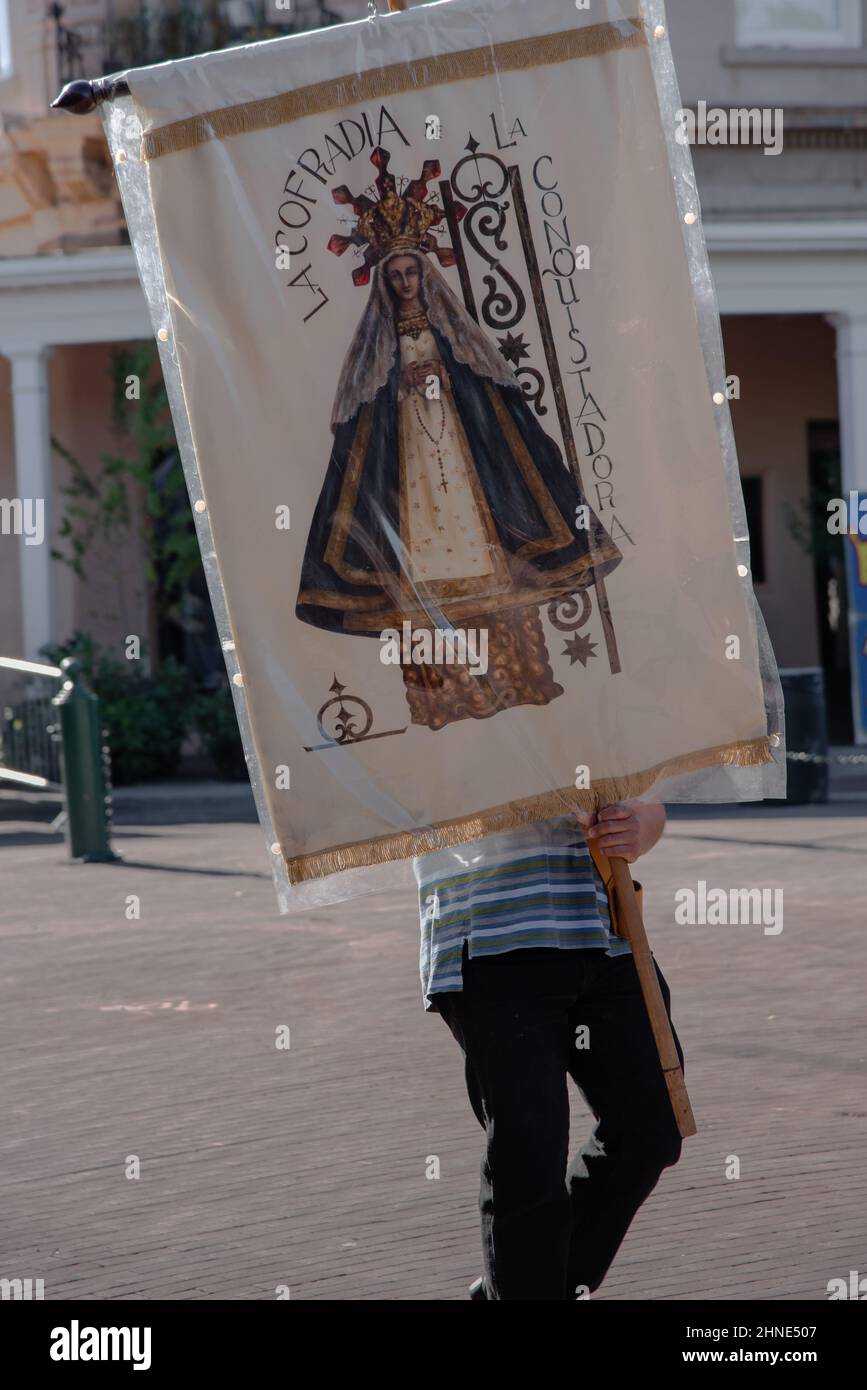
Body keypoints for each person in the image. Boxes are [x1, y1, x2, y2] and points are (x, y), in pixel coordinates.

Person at [295, 147, 622, 730]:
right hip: (411, 466)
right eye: (394, 275)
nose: (403, 282)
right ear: (384, 281)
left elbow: (488, 393)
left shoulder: (453, 332)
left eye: (411, 271)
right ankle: (444, 700)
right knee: (425, 578)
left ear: (426, 273)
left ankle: (520, 683)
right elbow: (360, 409)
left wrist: (443, 379)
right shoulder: (377, 344)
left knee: (486, 560)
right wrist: (401, 387)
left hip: (462, 457)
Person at [414, 800, 683, 1301]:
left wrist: (637, 826)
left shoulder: (592, 715)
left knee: (654, 1126)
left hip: (607, 932)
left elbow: (647, 792)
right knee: (529, 1153)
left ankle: (517, 1289)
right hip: (491, 937)